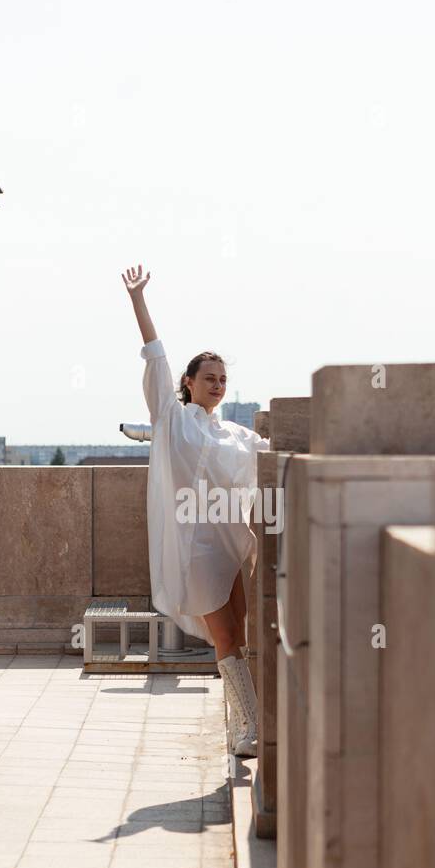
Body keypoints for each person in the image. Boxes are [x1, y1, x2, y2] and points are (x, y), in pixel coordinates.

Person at [122, 262, 270, 756]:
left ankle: (239, 728)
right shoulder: (171, 420)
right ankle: (252, 728)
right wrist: (139, 300)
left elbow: (271, 452)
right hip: (196, 549)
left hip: (231, 546)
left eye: (224, 379)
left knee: (239, 635)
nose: (218, 384)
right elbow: (155, 358)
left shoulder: (233, 433)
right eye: (209, 377)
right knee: (225, 636)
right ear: (188, 382)